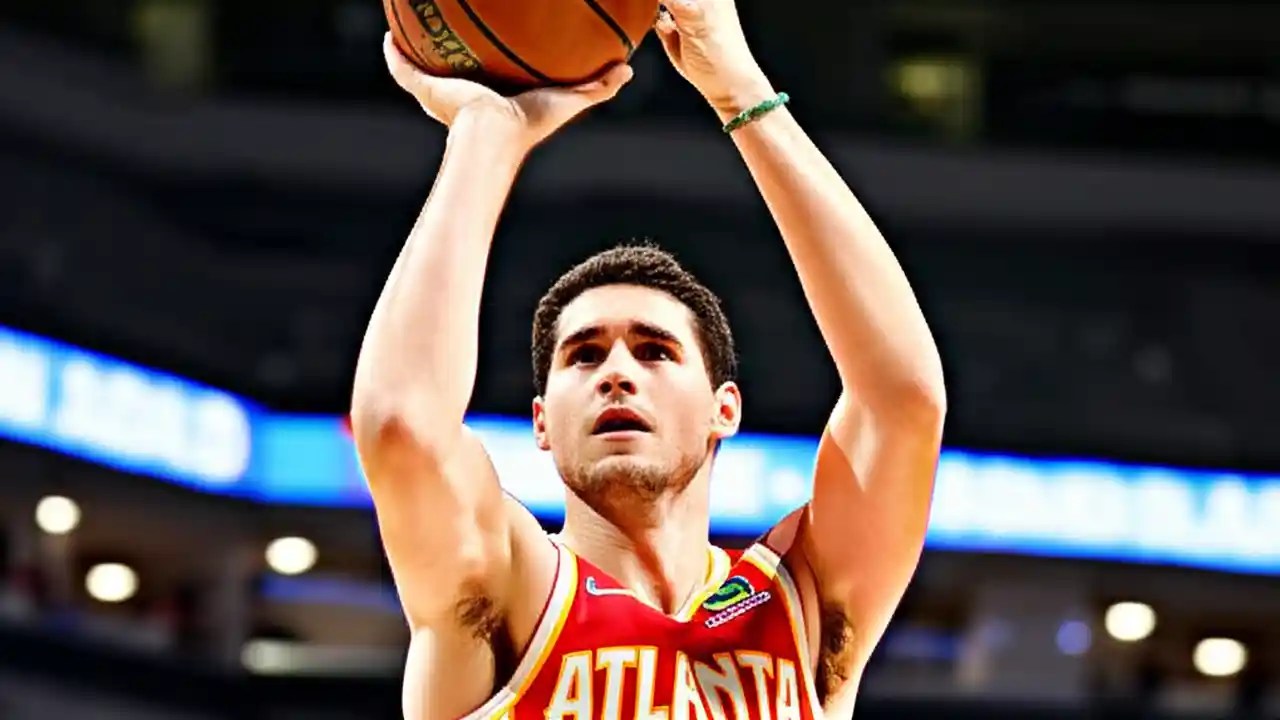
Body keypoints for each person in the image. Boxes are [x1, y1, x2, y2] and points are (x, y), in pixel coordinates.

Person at [352, 0, 946, 717]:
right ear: (541, 421)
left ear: (724, 409)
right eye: (583, 355)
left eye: (656, 349)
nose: (616, 371)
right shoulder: (508, 589)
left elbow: (904, 401)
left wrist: (740, 88)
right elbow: (401, 427)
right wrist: (486, 138)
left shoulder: (799, 605)